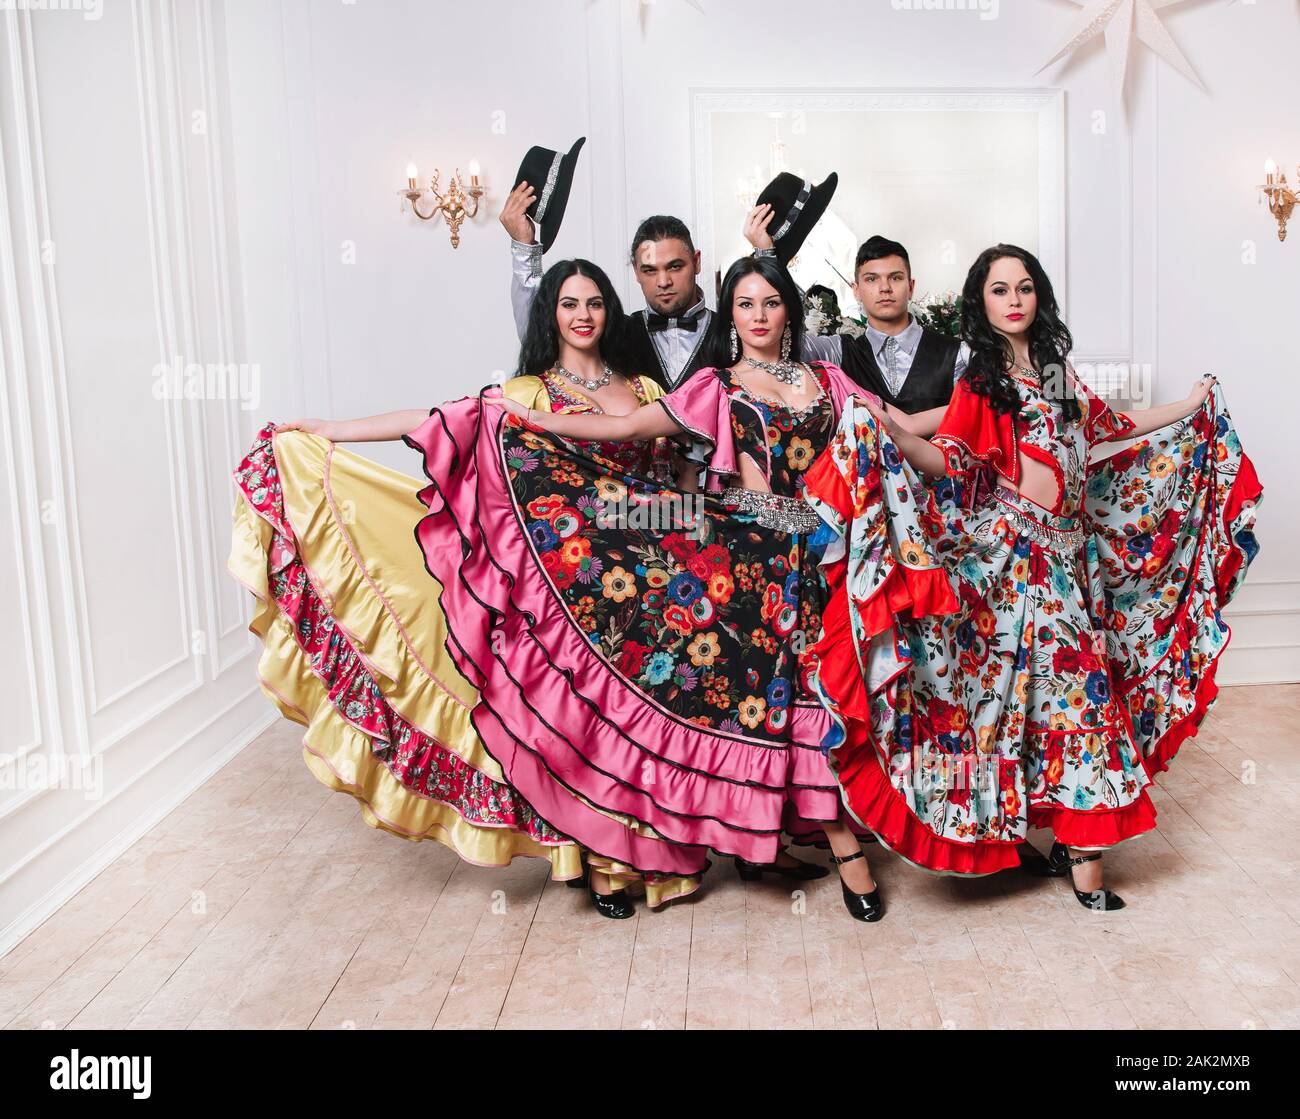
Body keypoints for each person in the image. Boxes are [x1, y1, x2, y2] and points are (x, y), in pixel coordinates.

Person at [491, 254, 958, 921]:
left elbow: (906, 430)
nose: (760, 316)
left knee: (819, 700)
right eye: (745, 304)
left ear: (788, 310)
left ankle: (769, 836)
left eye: (771, 302)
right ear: (730, 314)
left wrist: (993, 415)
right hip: (748, 562)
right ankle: (844, 845)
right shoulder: (717, 385)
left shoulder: (829, 379)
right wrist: (525, 417)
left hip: (825, 558)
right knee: (789, 699)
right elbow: (624, 428)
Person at [235, 258, 704, 919]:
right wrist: (332, 431)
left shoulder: (648, 386)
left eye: (595, 302)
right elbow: (434, 420)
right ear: (552, 314)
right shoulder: (528, 392)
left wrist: (695, 546)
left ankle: (653, 851)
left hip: (647, 578)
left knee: (643, 724)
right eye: (569, 303)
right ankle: (600, 865)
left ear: (609, 311)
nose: (583, 315)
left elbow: (679, 476)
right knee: (586, 728)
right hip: (568, 584)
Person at [803, 243, 1262, 909]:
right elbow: (948, 457)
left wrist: (1188, 408)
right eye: (999, 290)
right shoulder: (982, 381)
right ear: (981, 304)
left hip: (1069, 562)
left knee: (1063, 704)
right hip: (1010, 566)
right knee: (1042, 704)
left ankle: (1069, 843)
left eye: (1024, 287)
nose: (1014, 299)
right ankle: (1080, 860)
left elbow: (1111, 426)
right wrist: (892, 436)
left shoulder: (1054, 371)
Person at [746, 213, 968, 413]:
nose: (884, 288)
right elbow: (781, 345)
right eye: (871, 279)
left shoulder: (957, 354)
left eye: (895, 277)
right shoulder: (838, 351)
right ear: (856, 290)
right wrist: (767, 256)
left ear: (911, 287)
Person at [503, 182, 712, 390]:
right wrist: (524, 248)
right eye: (650, 270)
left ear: (696, 262)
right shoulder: (614, 332)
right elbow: (539, 330)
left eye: (675, 267)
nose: (663, 282)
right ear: (636, 271)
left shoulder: (731, 329)